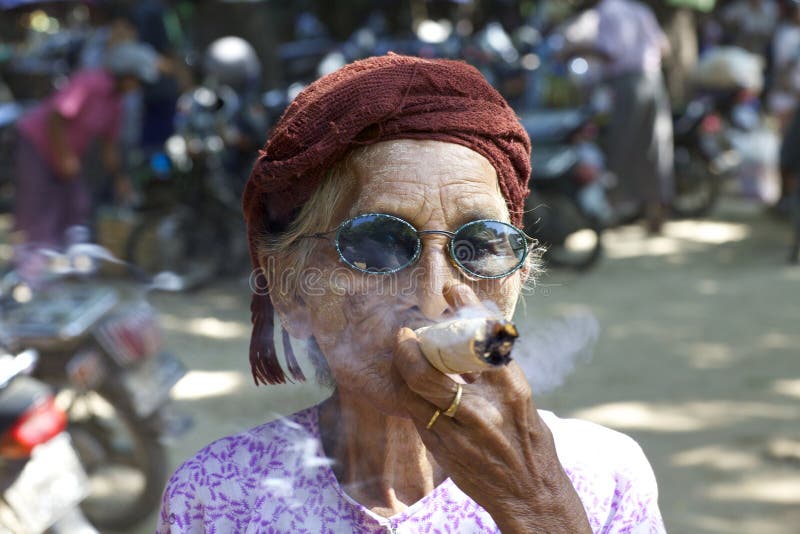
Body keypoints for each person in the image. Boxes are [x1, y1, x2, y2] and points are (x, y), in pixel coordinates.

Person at [157, 54, 665, 533]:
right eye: (377, 244)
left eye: (479, 244)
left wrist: (537, 505)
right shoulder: (216, 498)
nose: (433, 298)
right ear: (291, 292)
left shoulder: (605, 479)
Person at [12, 42, 158, 257]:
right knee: (39, 206)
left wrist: (120, 179)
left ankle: (62, 263)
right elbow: (57, 116)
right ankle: (30, 269)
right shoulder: (90, 83)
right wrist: (64, 157)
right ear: (126, 74)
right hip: (38, 147)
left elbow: (109, 145)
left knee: (77, 206)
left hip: (67, 157)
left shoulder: (116, 103)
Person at [560, 0, 674, 234]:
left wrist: (576, 49)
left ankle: (610, 211)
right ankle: (656, 212)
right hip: (653, 80)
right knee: (655, 146)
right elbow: (664, 47)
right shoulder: (641, 9)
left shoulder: (607, 11)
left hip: (627, 84)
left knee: (621, 145)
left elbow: (612, 50)